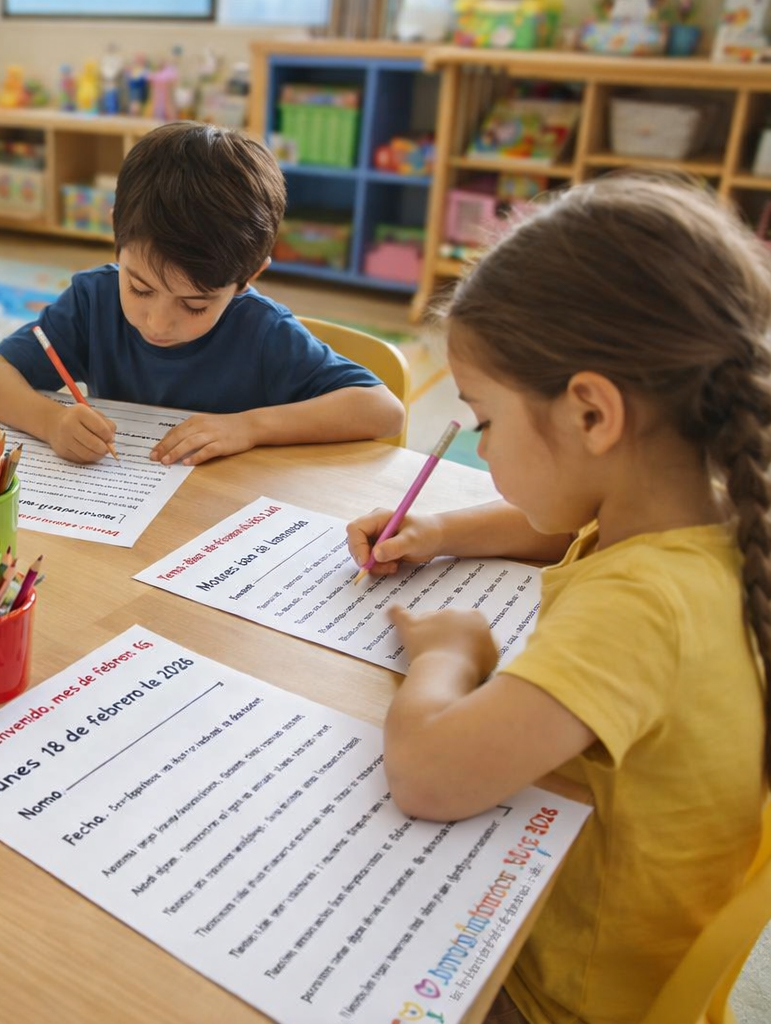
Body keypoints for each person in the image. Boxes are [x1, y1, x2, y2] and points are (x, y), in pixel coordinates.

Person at [346, 176, 770, 1024]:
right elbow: (563, 523)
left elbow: (428, 775)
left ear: (592, 414)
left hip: (552, 997)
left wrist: (447, 655)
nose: (479, 448)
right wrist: (443, 530)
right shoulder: (709, 507)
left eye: (485, 421)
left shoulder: (644, 606)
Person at [0, 121, 403, 466]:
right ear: (116, 231)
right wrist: (50, 421)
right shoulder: (93, 301)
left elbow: (383, 410)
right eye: (140, 288)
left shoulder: (262, 332)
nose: (158, 322)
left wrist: (249, 427)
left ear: (248, 277)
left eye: (195, 305)